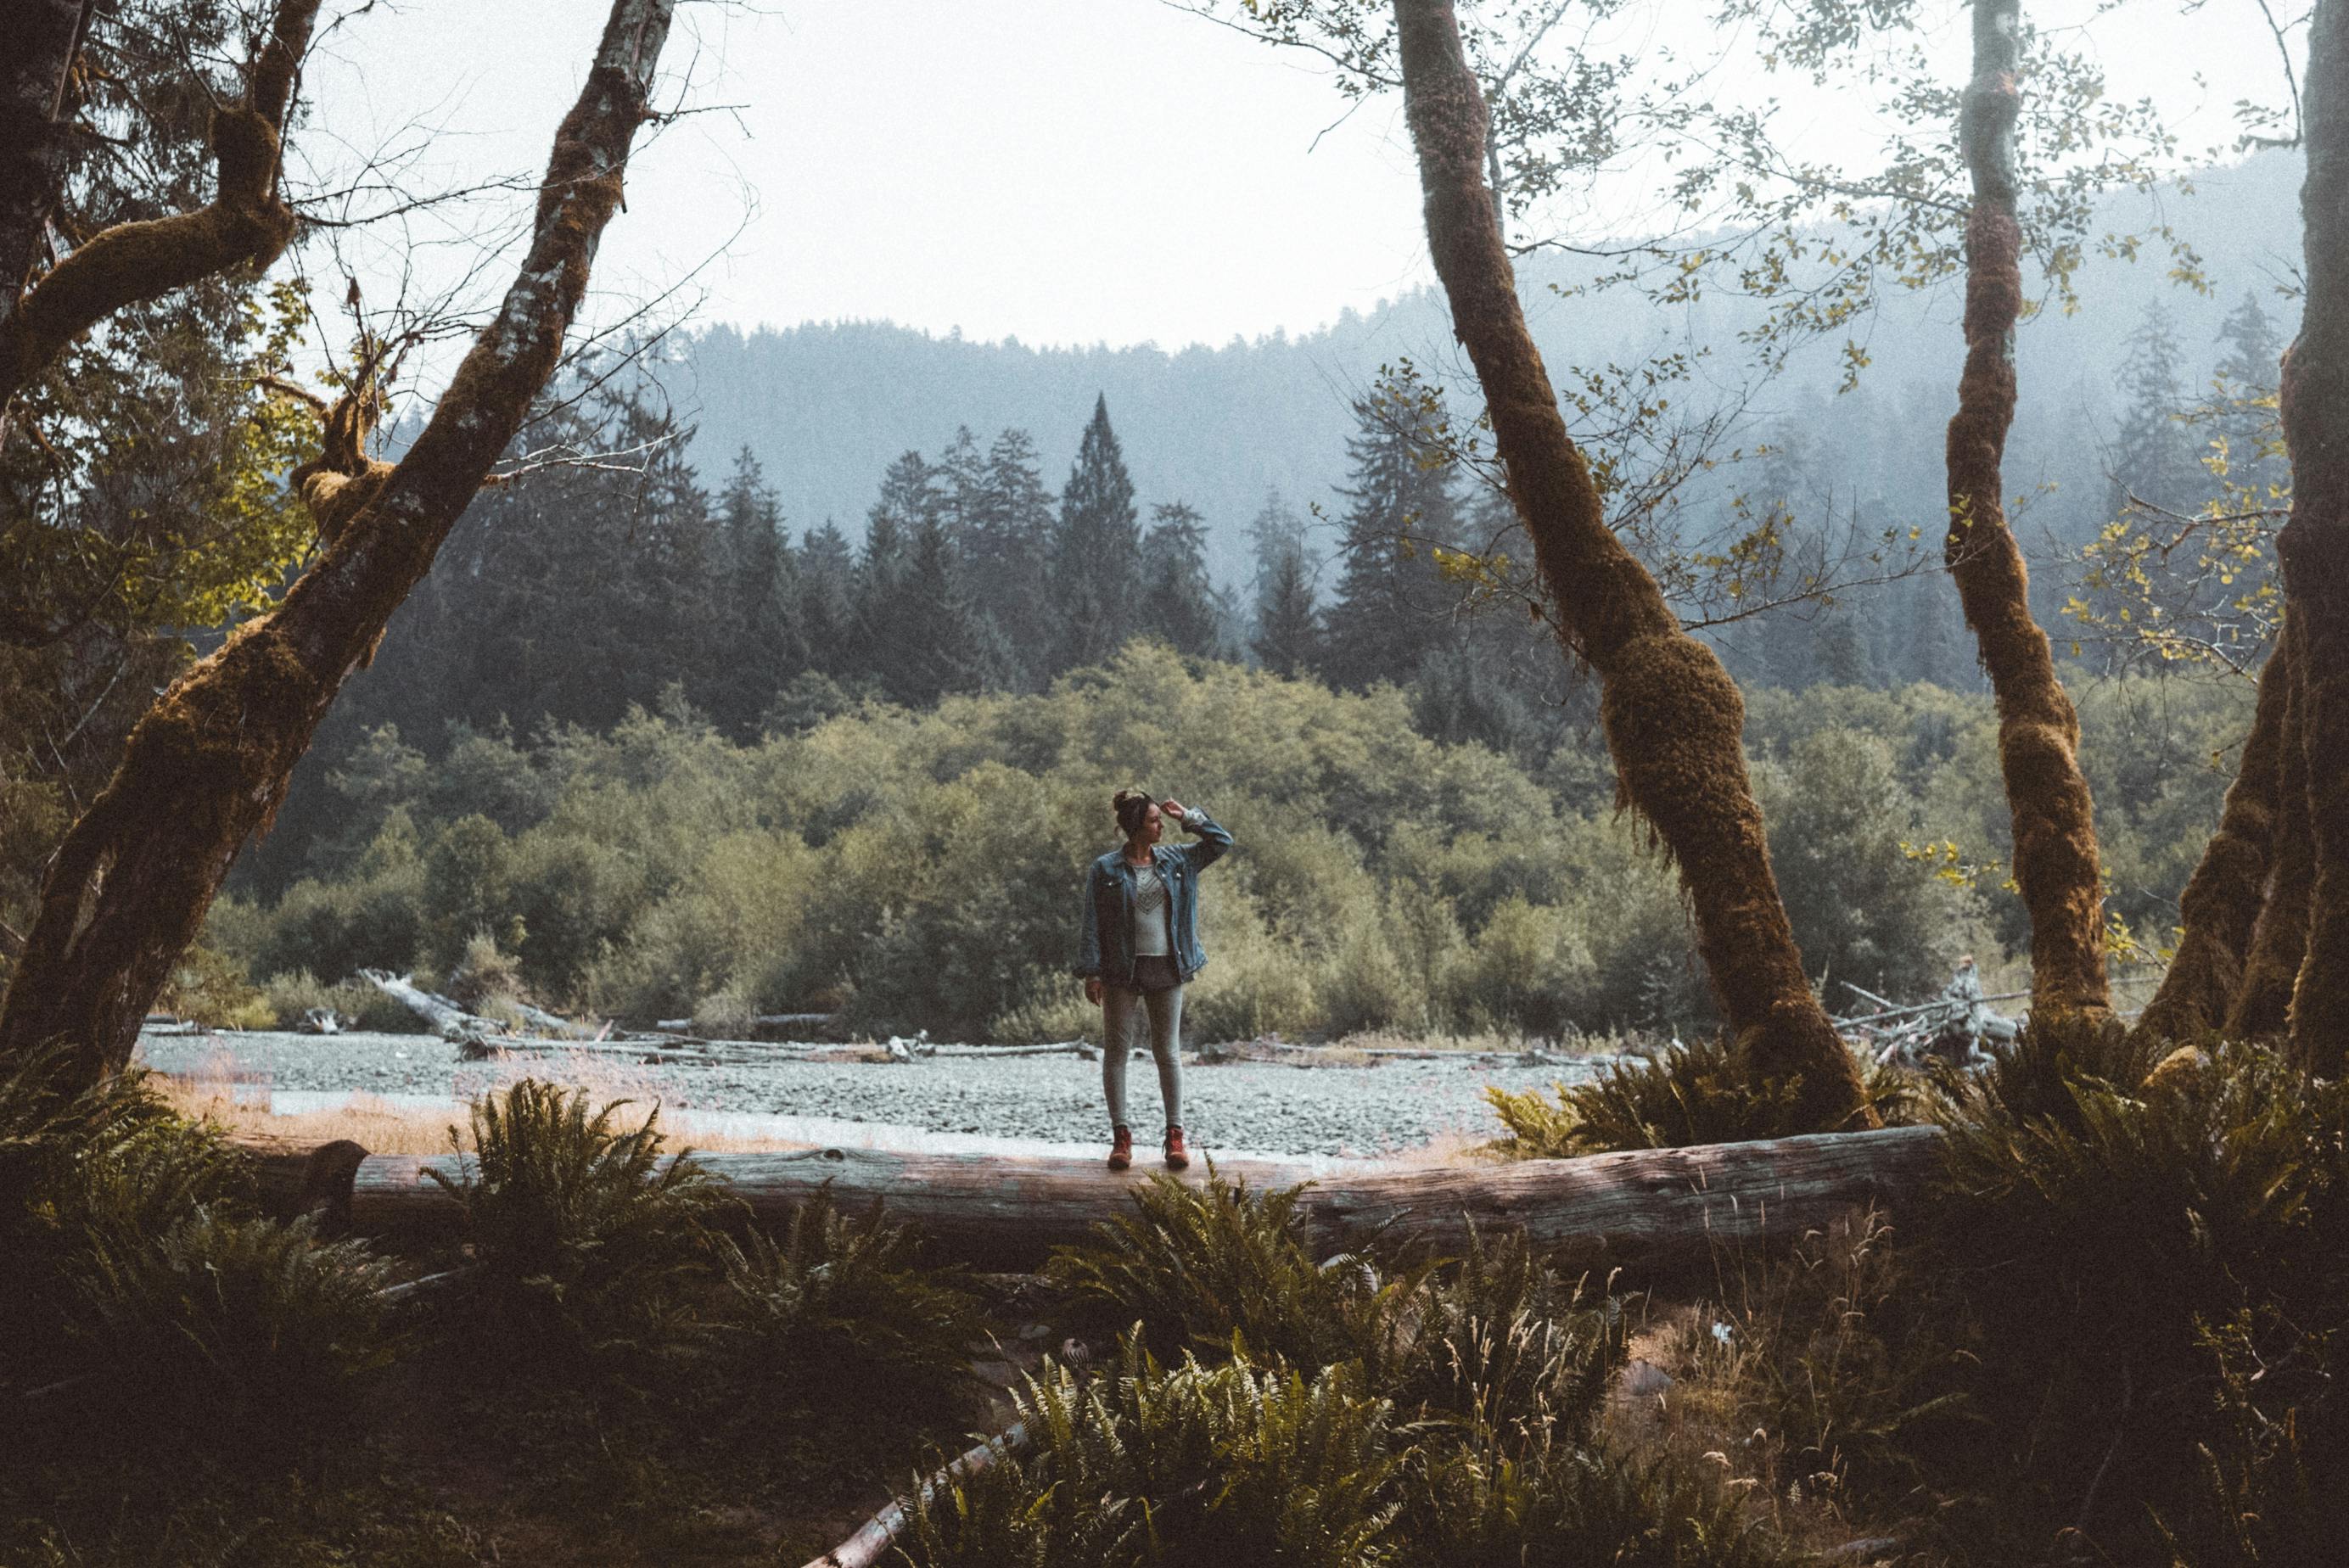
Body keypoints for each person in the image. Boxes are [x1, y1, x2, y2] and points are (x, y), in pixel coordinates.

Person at [1074, 787, 1233, 1171]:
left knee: (1168, 1053)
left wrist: (1188, 818)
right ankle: (1121, 1138)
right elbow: (1092, 922)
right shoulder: (1106, 869)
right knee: (1116, 1053)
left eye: (1161, 819)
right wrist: (1092, 971)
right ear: (1135, 826)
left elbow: (1221, 842)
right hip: (1121, 971)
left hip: (1168, 966)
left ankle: (1175, 1136)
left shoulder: (1178, 859)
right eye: (1154, 820)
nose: (1161, 825)